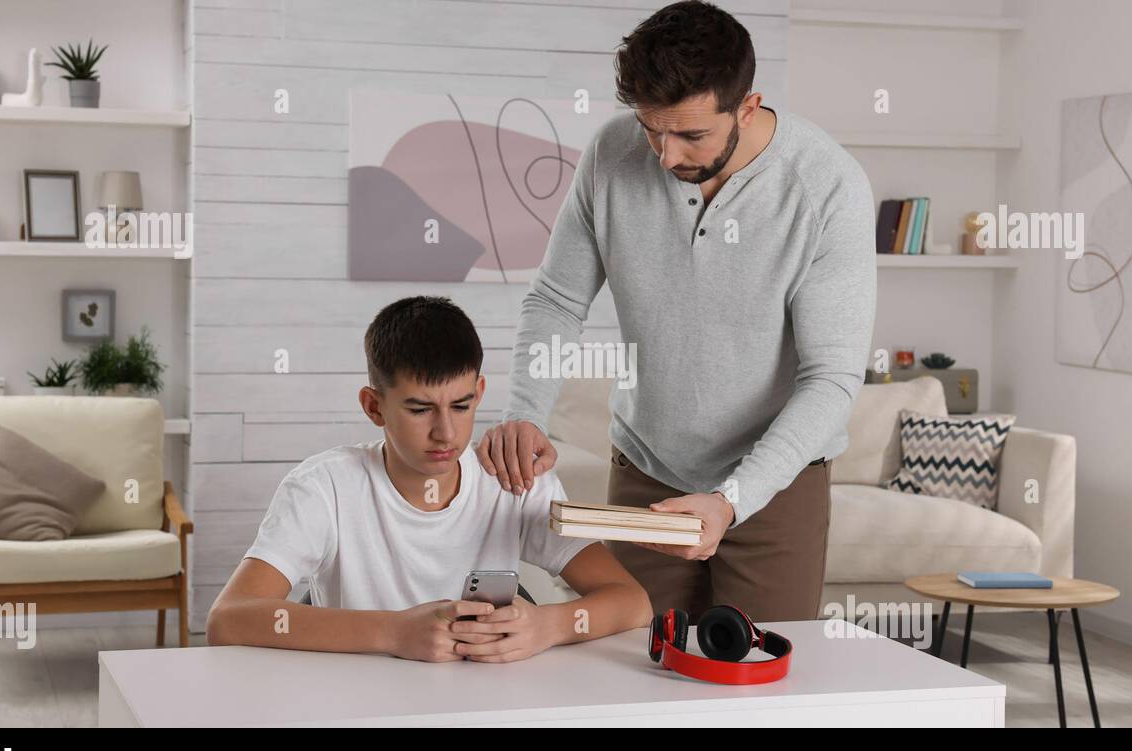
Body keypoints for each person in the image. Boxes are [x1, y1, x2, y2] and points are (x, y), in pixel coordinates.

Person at [477, 1, 876, 623]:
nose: (665, 156)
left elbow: (831, 378)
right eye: (651, 130)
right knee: (630, 667)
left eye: (691, 135)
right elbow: (556, 298)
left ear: (747, 105)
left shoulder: (828, 188)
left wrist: (733, 498)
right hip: (647, 468)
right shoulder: (611, 154)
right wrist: (525, 414)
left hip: (777, 484)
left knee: (754, 686)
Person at [207, 296, 652, 662]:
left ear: (479, 393)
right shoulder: (325, 488)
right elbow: (228, 619)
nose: (446, 433)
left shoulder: (512, 482)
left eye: (460, 406)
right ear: (374, 406)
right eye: (420, 410)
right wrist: (395, 633)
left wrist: (547, 625)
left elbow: (632, 602)